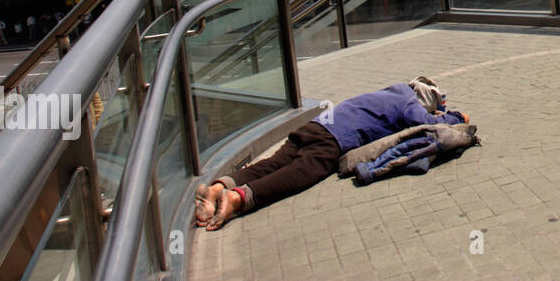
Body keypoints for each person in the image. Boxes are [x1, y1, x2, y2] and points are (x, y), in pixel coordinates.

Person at [195, 78, 468, 230]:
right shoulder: (409, 102)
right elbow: (429, 125)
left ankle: (220, 186)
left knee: (275, 162)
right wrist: (456, 116)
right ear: (426, 100)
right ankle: (237, 198)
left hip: (316, 125)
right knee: (301, 173)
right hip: (333, 140)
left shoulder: (389, 92)